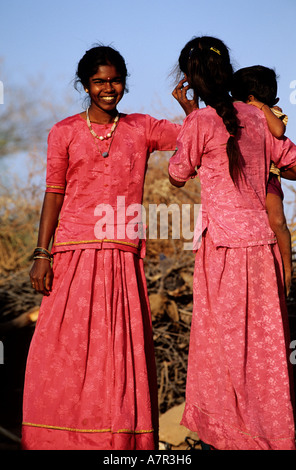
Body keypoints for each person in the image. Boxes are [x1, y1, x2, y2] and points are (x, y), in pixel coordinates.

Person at [21, 45, 181, 450]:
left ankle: (118, 443)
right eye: (99, 81)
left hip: (122, 257)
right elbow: (54, 193)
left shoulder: (143, 127)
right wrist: (42, 253)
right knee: (63, 352)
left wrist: (191, 104)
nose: (108, 88)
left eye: (114, 80)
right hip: (73, 252)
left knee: (118, 355)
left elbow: (196, 136)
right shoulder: (63, 132)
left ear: (124, 81)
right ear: (85, 85)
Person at [169, 36, 296, 450]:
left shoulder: (200, 123)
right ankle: (271, 436)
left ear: (190, 79)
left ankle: (229, 437)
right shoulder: (259, 118)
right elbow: (292, 163)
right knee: (265, 352)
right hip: (261, 250)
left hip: (222, 251)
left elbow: (176, 173)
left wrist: (190, 116)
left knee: (223, 351)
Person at [231, 65, 292, 296]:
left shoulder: (270, 112)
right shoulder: (233, 115)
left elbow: (278, 131)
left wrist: (262, 107)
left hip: (268, 177)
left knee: (277, 221)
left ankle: (287, 271)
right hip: (244, 179)